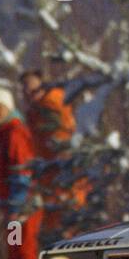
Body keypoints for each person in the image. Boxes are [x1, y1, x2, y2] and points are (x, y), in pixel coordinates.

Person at [0, 87, 41, 259]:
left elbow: (23, 171)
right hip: (12, 208)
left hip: (22, 211)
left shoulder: (14, 133)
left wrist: (17, 207)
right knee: (15, 255)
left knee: (24, 257)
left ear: (8, 107)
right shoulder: (2, 133)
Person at [20, 69, 87, 234]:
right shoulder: (35, 112)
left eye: (32, 88)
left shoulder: (51, 104)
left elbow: (63, 146)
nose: (28, 93)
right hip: (51, 182)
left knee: (67, 233)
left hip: (63, 182)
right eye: (25, 89)